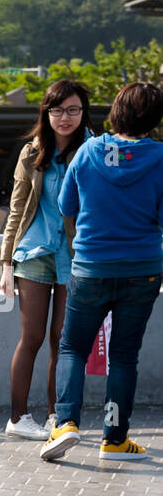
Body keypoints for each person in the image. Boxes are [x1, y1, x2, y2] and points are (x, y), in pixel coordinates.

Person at [43, 82, 163, 463]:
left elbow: (67, 205)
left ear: (116, 112)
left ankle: (65, 423)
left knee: (72, 347)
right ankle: (114, 438)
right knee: (124, 355)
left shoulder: (88, 151)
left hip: (91, 267)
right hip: (142, 269)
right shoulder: (161, 157)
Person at [0, 79, 91, 441]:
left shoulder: (93, 151)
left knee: (62, 339)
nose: (64, 117)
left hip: (74, 255)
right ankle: (18, 417)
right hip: (34, 254)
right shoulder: (31, 153)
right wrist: (6, 264)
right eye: (56, 110)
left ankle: (57, 417)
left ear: (83, 113)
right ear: (46, 113)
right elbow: (17, 209)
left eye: (72, 110)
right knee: (32, 337)